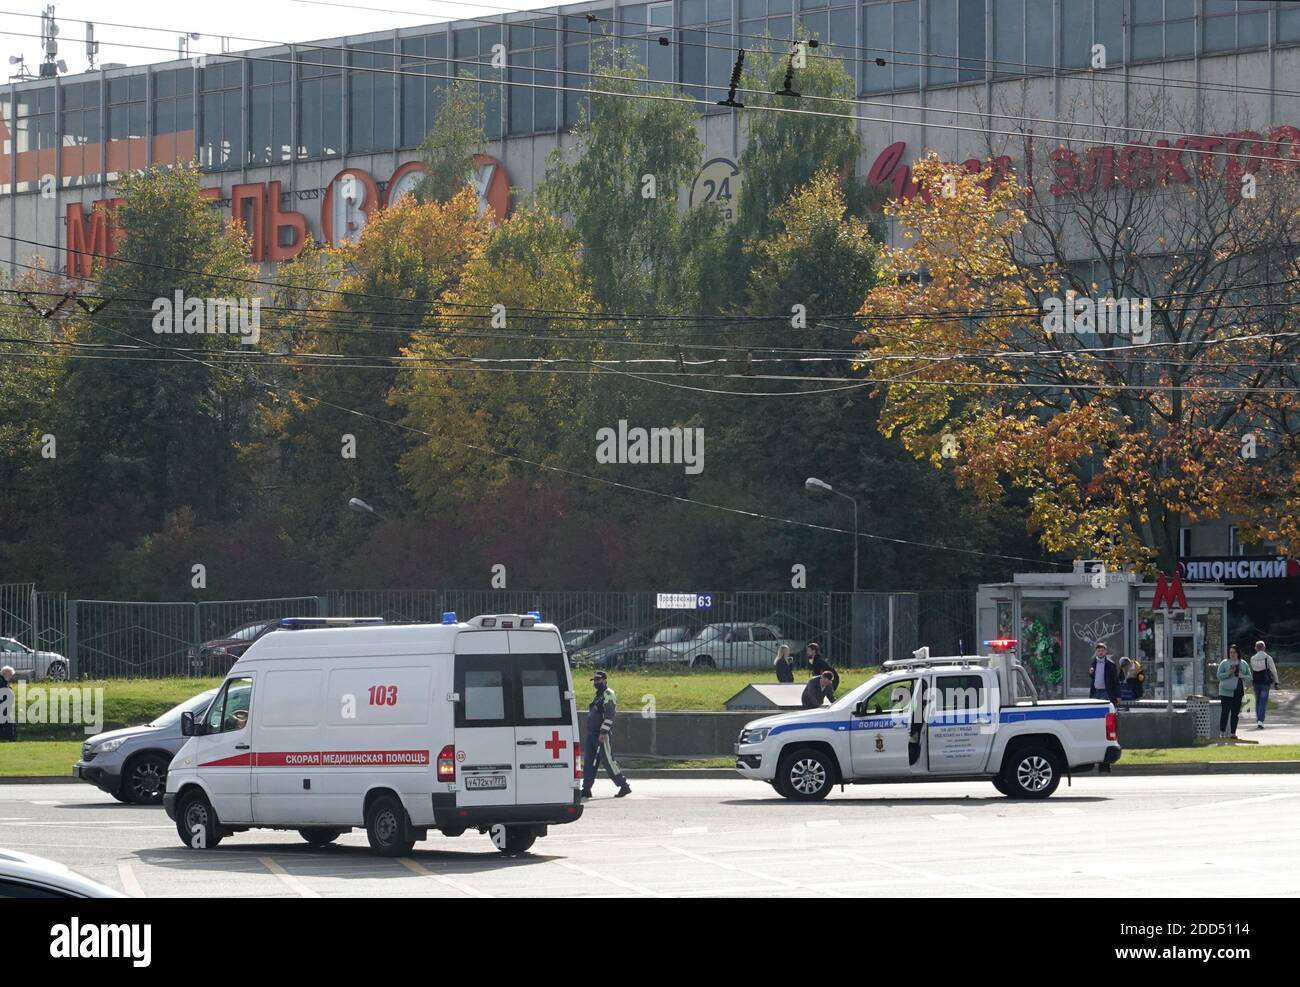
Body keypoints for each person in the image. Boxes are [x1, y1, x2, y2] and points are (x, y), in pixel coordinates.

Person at [581, 670, 630, 800]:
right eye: (594, 680)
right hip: (592, 734)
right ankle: (586, 789)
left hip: (601, 735)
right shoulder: (597, 695)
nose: (596, 682)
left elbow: (610, 715)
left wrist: (603, 732)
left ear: (605, 680)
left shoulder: (608, 694)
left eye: (598, 680)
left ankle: (623, 786)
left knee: (608, 761)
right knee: (589, 762)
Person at [1217, 644, 1250, 739]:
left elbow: (1249, 677)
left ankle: (1233, 733)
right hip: (1226, 692)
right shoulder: (1224, 663)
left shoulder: (1243, 663)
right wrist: (1229, 673)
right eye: (1230, 652)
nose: (1232, 654)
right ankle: (1222, 732)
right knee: (1225, 712)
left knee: (1235, 713)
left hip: (1238, 692)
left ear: (1238, 653)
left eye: (1234, 652)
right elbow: (1219, 676)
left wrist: (1242, 676)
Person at [1249, 640, 1281, 730]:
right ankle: (1261, 721)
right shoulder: (1268, 658)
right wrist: (1276, 682)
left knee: (1258, 701)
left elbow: (1254, 669)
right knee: (1263, 701)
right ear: (1264, 647)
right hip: (1265, 683)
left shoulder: (1252, 658)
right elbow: (1274, 671)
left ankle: (1258, 719)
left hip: (1256, 682)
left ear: (1256, 648)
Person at [0, 666, 15, 741]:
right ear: (6, 674)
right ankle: (11, 739)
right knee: (9, 722)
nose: (11, 677)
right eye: (11, 675)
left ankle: (8, 738)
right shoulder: (1, 681)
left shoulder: (3, 681)